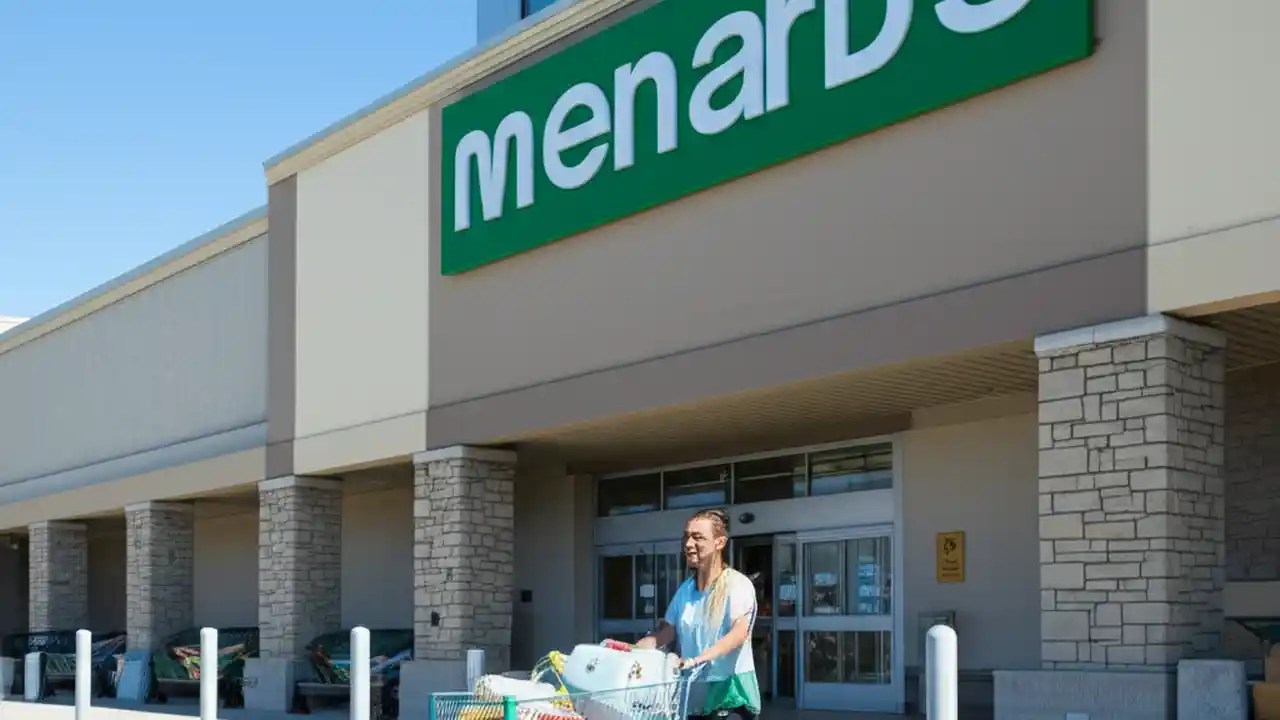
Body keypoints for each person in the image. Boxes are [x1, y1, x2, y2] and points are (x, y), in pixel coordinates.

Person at [636, 508, 760, 720]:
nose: (688, 544)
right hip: (694, 695)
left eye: (697, 537)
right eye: (686, 537)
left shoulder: (737, 584)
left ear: (720, 542)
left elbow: (738, 634)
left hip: (730, 693)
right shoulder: (686, 590)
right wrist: (628, 650)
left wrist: (697, 660)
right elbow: (666, 632)